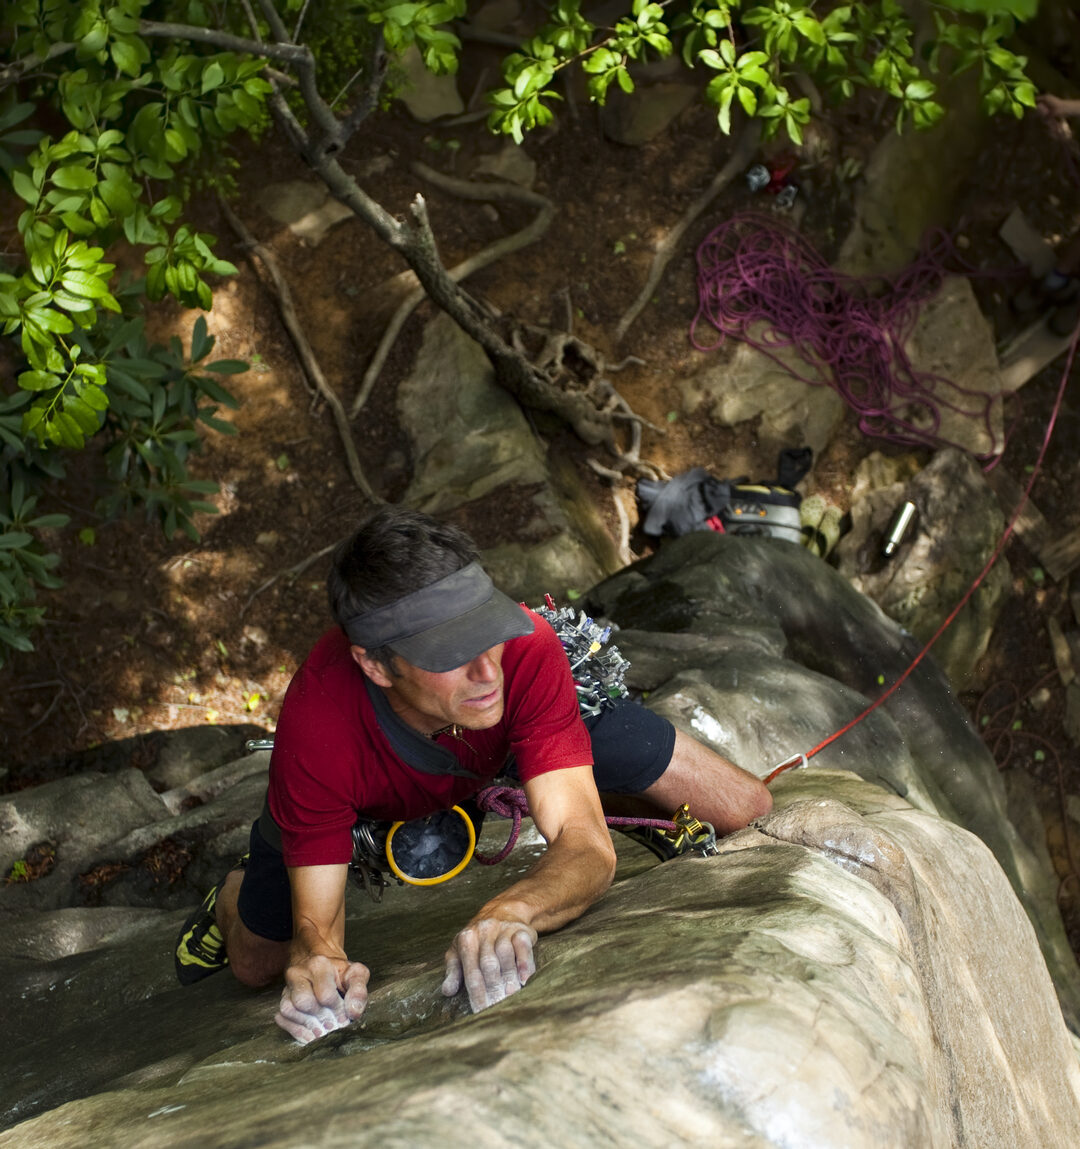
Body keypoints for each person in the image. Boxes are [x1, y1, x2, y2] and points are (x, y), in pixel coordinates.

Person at [175, 507, 772, 1044]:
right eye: (450, 653)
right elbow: (318, 927)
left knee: (741, 806)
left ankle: (581, 781)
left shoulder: (527, 652)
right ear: (376, 664)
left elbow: (585, 844)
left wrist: (510, 910)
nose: (488, 670)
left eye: (488, 631)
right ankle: (230, 891)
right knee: (256, 965)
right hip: (376, 781)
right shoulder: (320, 724)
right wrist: (320, 965)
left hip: (511, 740)